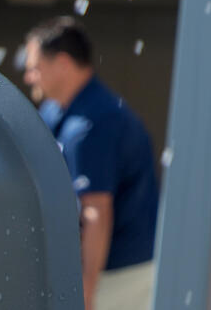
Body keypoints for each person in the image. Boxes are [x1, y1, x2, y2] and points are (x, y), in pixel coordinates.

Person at [23, 18, 160, 310]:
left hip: (120, 272)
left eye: (35, 67)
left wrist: (86, 288)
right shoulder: (55, 111)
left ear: (62, 63)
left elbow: (96, 211)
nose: (28, 77)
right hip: (95, 268)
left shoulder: (95, 121)